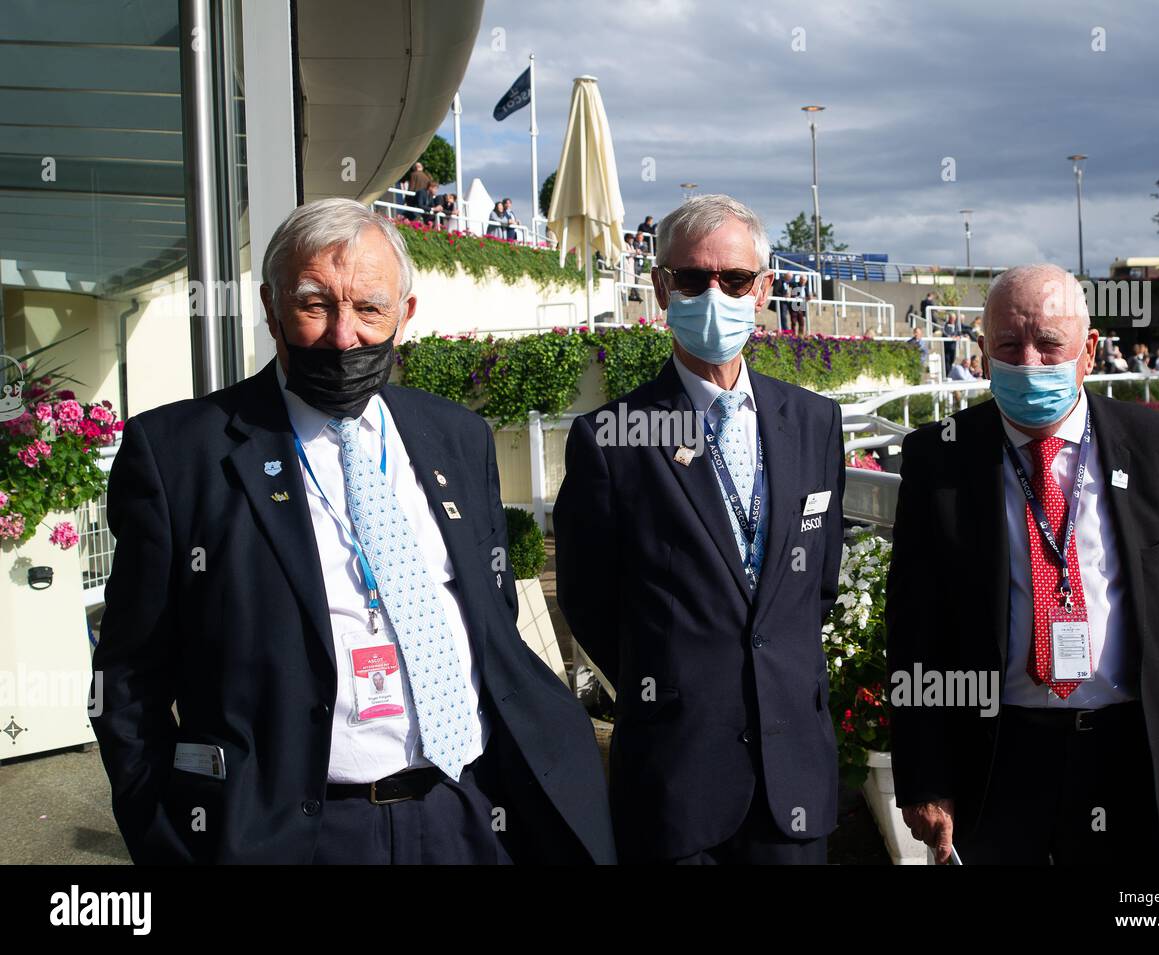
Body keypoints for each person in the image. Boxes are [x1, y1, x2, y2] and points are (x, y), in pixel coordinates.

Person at [91, 198, 616, 865]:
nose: (344, 336)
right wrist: (164, 837)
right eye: (315, 305)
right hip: (295, 836)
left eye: (369, 308)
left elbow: (489, 620)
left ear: (406, 313)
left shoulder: (457, 437)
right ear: (271, 306)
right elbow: (127, 680)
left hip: (469, 813)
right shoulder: (177, 454)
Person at [886, 263, 1159, 865]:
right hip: (995, 755)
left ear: (1088, 351)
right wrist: (926, 775)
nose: (1029, 363)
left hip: (1127, 754)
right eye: (1009, 345)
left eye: (1049, 344)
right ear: (983, 353)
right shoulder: (938, 458)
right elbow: (915, 628)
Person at [553, 194, 845, 864]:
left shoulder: (814, 422)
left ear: (764, 290)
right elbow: (588, 598)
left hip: (792, 782)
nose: (715, 293)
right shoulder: (610, 438)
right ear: (661, 287)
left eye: (735, 279)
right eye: (693, 278)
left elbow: (815, 586)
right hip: (675, 783)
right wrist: (674, 685)